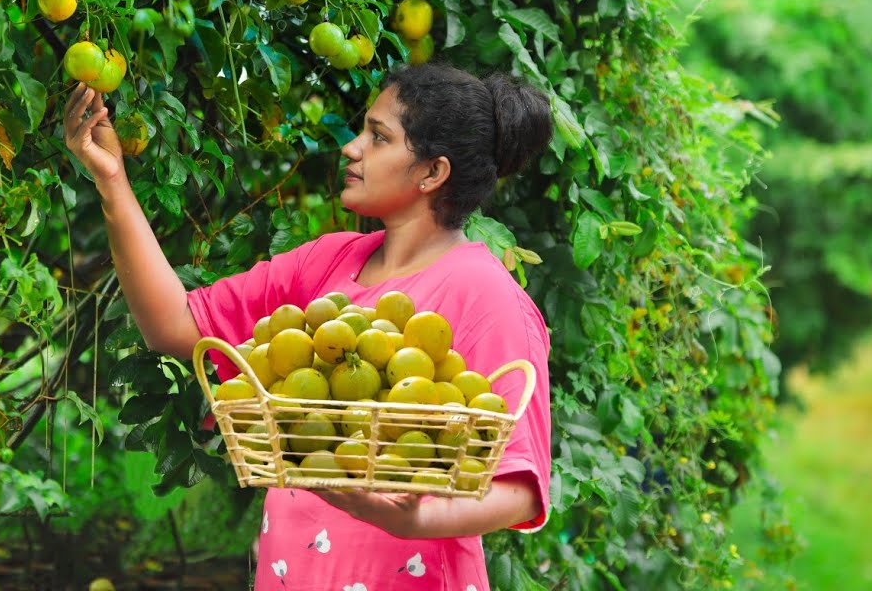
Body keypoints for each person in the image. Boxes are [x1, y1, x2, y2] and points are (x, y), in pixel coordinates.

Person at [63, 63, 554, 590]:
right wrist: (111, 179)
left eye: (379, 137)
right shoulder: (329, 263)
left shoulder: (486, 294)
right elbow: (176, 325)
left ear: (432, 173)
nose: (352, 148)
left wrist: (416, 519)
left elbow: (521, 487)